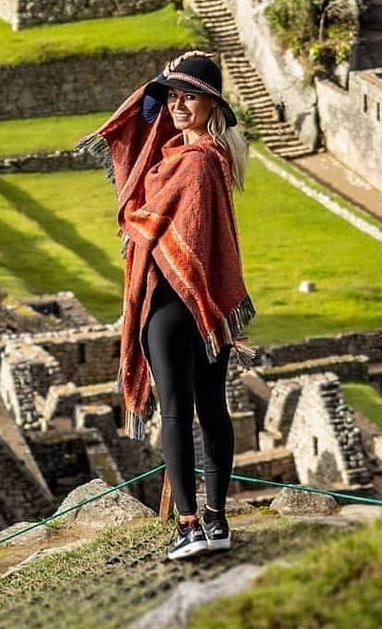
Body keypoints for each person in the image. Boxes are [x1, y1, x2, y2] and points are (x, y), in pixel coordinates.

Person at [77, 52, 254, 560]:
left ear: (210, 105)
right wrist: (164, 80)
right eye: (173, 96)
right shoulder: (210, 154)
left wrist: (135, 215)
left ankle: (189, 527)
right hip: (210, 306)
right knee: (212, 409)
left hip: (172, 303)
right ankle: (217, 522)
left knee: (176, 414)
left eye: (188, 96)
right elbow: (141, 121)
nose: (176, 104)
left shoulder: (194, 162)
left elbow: (148, 219)